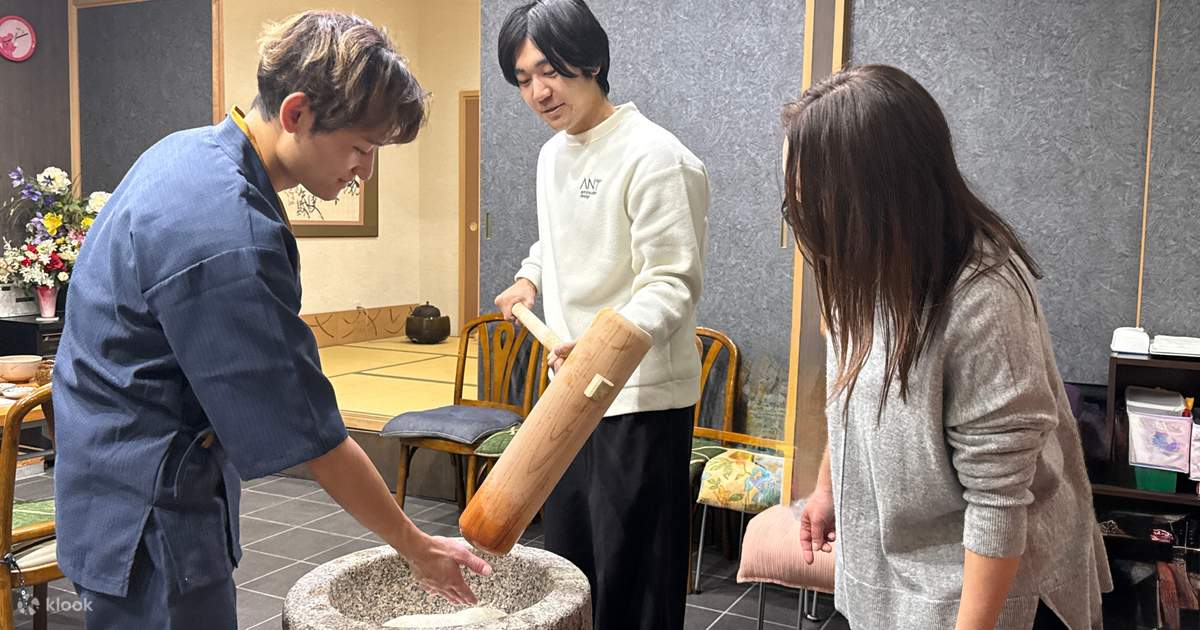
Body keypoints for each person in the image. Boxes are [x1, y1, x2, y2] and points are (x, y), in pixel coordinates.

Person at [53, 11, 489, 628]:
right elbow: (309, 431)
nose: (365, 170)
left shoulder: (185, 152)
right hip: (149, 513)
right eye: (361, 148)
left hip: (107, 481)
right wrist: (416, 546)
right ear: (296, 113)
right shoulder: (227, 236)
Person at [786, 65, 1112, 629]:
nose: (798, 211)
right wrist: (828, 487)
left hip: (984, 592)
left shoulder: (984, 298)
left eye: (809, 196)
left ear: (870, 196)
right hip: (888, 583)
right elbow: (850, 389)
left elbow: (998, 505)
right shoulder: (861, 267)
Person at [491, 1, 709, 628]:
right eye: (524, 78)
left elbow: (672, 282)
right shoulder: (553, 156)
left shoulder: (656, 156)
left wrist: (599, 346)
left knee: (635, 576)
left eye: (550, 70)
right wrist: (529, 277)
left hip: (640, 399)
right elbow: (552, 241)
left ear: (591, 59)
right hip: (571, 396)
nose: (538, 91)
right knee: (570, 566)